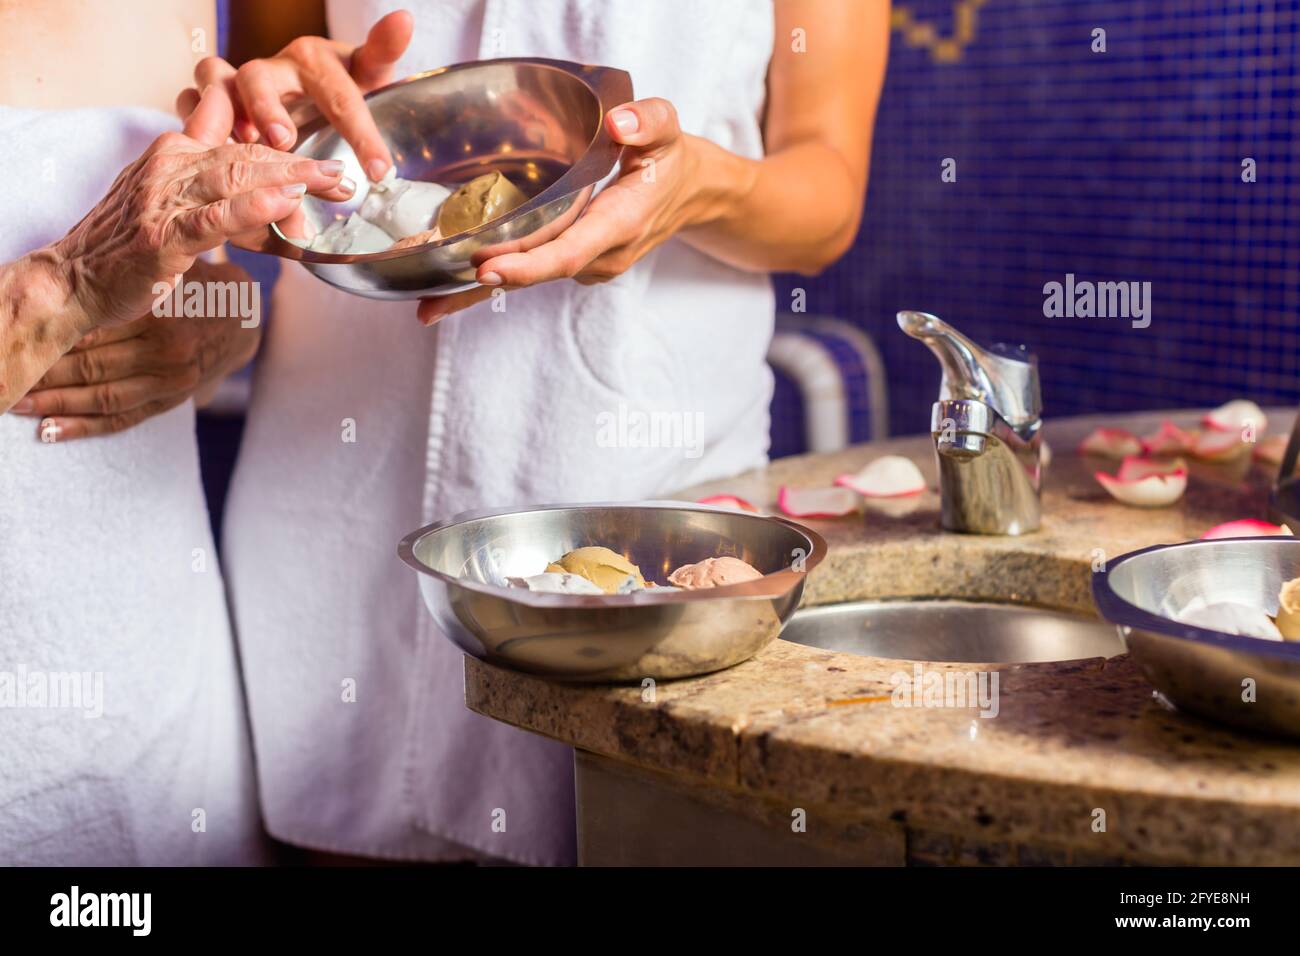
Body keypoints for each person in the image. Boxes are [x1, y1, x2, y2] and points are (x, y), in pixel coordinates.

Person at [139, 0, 884, 865]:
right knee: (337, 822)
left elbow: (825, 194)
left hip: (639, 481)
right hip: (332, 495)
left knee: (619, 825)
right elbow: (251, 132)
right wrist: (272, 111)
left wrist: (698, 185)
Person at [0, 0, 350, 864]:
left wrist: (220, 315)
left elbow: (183, 269)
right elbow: (88, 270)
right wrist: (59, 289)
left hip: (148, 693)